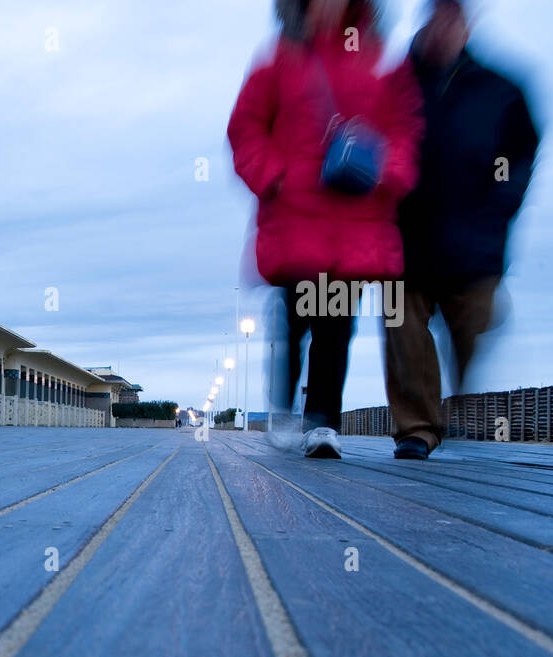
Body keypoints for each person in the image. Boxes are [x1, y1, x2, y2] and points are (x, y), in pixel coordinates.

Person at [229, 0, 423, 458]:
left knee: (336, 327)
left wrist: (384, 172)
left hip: (354, 225)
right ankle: (283, 408)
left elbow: (406, 130)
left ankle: (322, 421)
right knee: (294, 324)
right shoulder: (279, 60)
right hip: (296, 222)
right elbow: (245, 128)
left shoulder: (379, 64)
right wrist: (275, 176)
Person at [384, 0, 540, 460]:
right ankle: (417, 429)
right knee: (402, 326)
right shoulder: (391, 86)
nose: (445, 26)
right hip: (401, 239)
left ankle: (465, 405)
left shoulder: (502, 88)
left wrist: (500, 201)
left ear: (468, 26)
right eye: (438, 16)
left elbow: (523, 150)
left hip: (475, 242)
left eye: (455, 17)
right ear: (425, 20)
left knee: (472, 324)